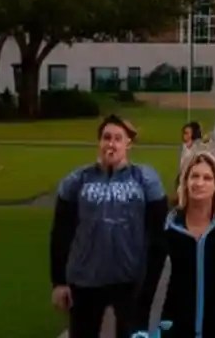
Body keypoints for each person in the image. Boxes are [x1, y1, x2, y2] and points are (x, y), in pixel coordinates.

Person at [49, 115, 168, 338]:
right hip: (85, 280)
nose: (111, 144)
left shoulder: (145, 180)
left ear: (128, 144)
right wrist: (59, 282)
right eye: (106, 138)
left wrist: (149, 284)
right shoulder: (77, 180)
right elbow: (61, 232)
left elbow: (159, 236)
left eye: (117, 138)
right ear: (99, 142)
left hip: (129, 279)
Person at [136, 146, 215, 338]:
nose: (199, 183)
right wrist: (140, 328)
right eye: (194, 176)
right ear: (185, 181)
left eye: (207, 178)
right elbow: (150, 280)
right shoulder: (168, 227)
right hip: (176, 325)